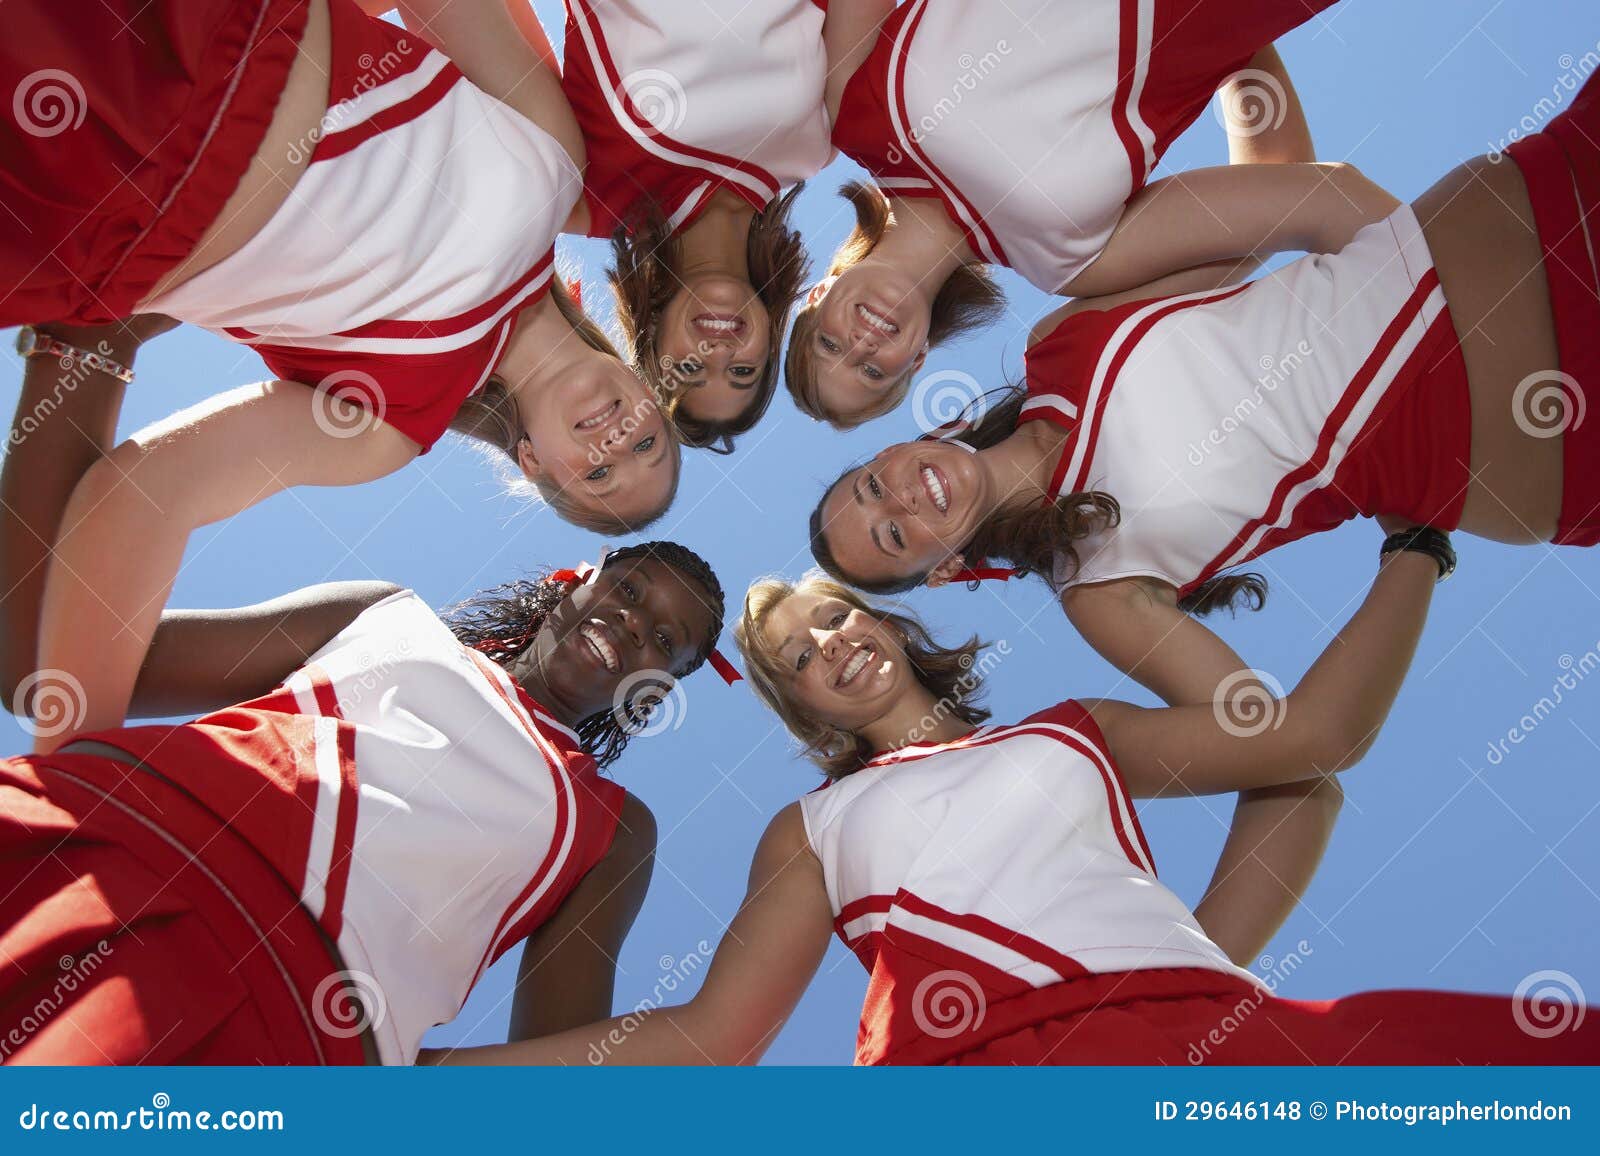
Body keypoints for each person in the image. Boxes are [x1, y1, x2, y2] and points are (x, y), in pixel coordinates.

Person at [423, 547, 1598, 1065]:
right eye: (795, 654)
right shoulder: (817, 827)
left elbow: (1310, 756)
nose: (830, 643)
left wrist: (1418, 544)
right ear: (800, 707)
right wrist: (430, 1081)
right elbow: (711, 1037)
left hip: (1199, 1041)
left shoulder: (1070, 730)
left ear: (886, 624)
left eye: (838, 616)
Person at [1, 318, 728, 1063]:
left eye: (667, 643)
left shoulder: (611, 827)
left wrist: (363, 1065)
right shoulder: (383, 613)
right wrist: (85, 344)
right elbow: (38, 669)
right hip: (79, 836)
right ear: (573, 584)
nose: (635, 623)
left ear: (655, 691)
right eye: (631, 588)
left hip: (261, 1018)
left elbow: (559, 1069)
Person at [808, 68, 1599, 711]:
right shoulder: (1100, 592)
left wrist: (1241, 50)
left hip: (1554, 194)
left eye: (873, 485)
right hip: (1569, 449)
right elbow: (1284, 742)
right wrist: (1416, 547)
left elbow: (1289, 195)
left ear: (903, 443)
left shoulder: (1064, 343)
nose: (901, 501)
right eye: (892, 537)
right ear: (945, 570)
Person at [1, 0, 678, 533]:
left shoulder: (390, 426)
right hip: (212, 29)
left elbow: (156, 490)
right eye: (650, 444)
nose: (619, 446)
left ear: (533, 462)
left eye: (598, 478)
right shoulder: (562, 167)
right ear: (648, 385)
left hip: (83, 212)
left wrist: (79, 705)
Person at [784, 0, 1337, 426]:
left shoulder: (847, 112)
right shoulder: (1068, 262)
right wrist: (1231, 42)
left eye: (829, 344)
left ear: (817, 293)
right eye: (873, 371)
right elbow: (1286, 191)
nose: (862, 345)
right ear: (918, 360)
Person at [558, 0, 894, 451]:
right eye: (742, 371)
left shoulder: (583, 194)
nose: (716, 353)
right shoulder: (821, 139)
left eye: (688, 370)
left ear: (651, 338)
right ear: (772, 339)